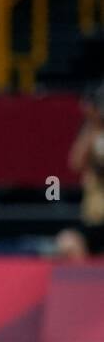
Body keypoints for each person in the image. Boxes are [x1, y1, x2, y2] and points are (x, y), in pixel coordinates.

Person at [57, 85, 104, 258]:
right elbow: (75, 163)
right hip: (94, 218)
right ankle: (85, 284)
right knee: (68, 243)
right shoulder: (91, 132)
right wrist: (92, 122)